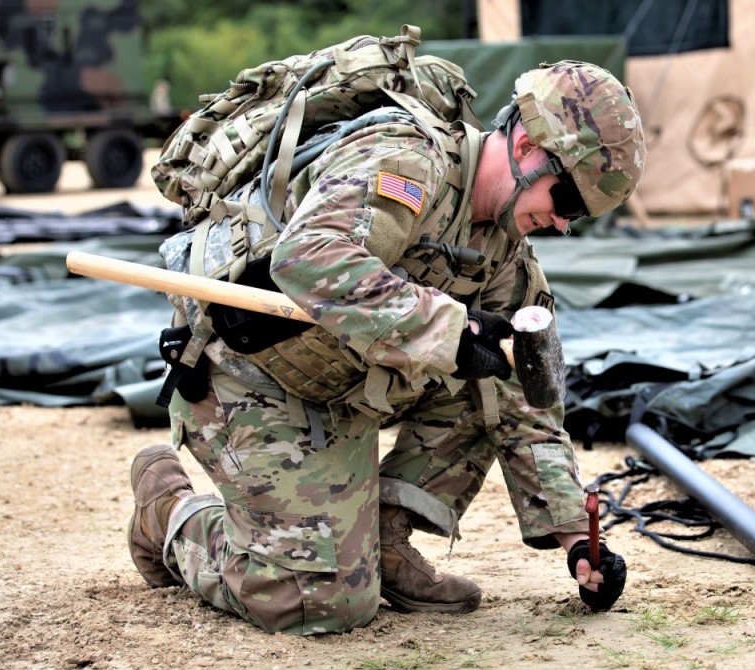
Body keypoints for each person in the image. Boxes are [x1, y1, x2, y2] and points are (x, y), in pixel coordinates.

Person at [128, 59, 645, 634]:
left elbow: (529, 394)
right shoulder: (406, 161)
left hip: (343, 378)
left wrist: (577, 538)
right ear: (527, 147)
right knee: (314, 601)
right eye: (568, 200)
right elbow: (308, 257)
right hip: (252, 373)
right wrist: (452, 331)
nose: (564, 224)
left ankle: (383, 540)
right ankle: (168, 514)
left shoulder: (503, 251)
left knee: (495, 365)